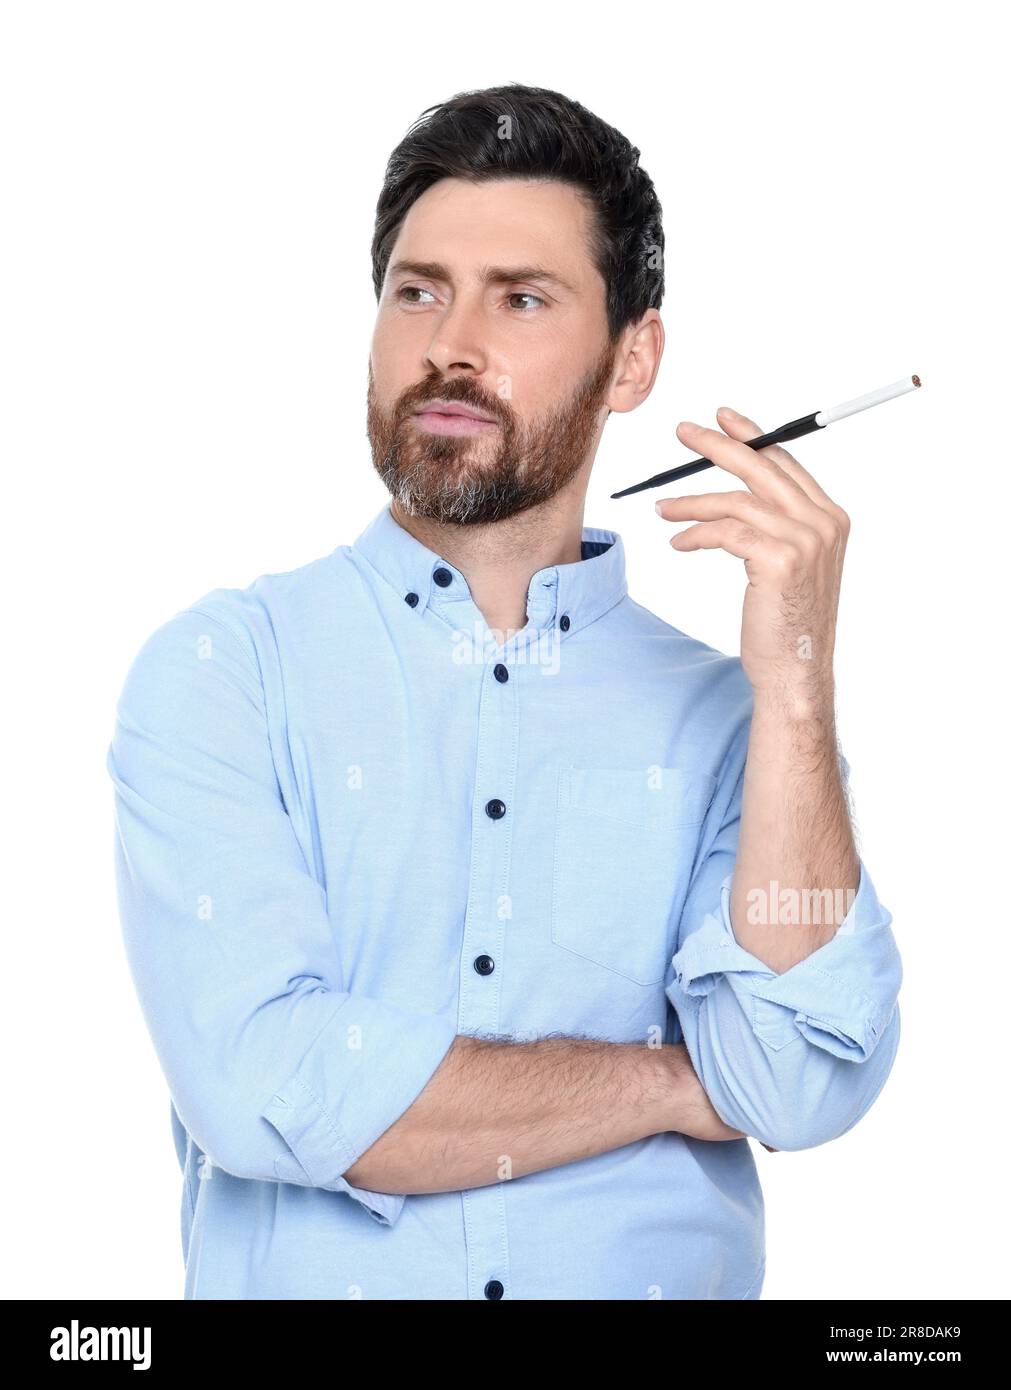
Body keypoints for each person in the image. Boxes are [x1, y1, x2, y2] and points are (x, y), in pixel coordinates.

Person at [106, 83, 902, 1301]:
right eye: (418, 290)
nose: (449, 345)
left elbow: (796, 1079)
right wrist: (678, 1082)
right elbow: (273, 1088)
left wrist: (795, 686)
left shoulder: (739, 724)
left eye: (520, 298)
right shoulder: (226, 672)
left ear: (632, 356)